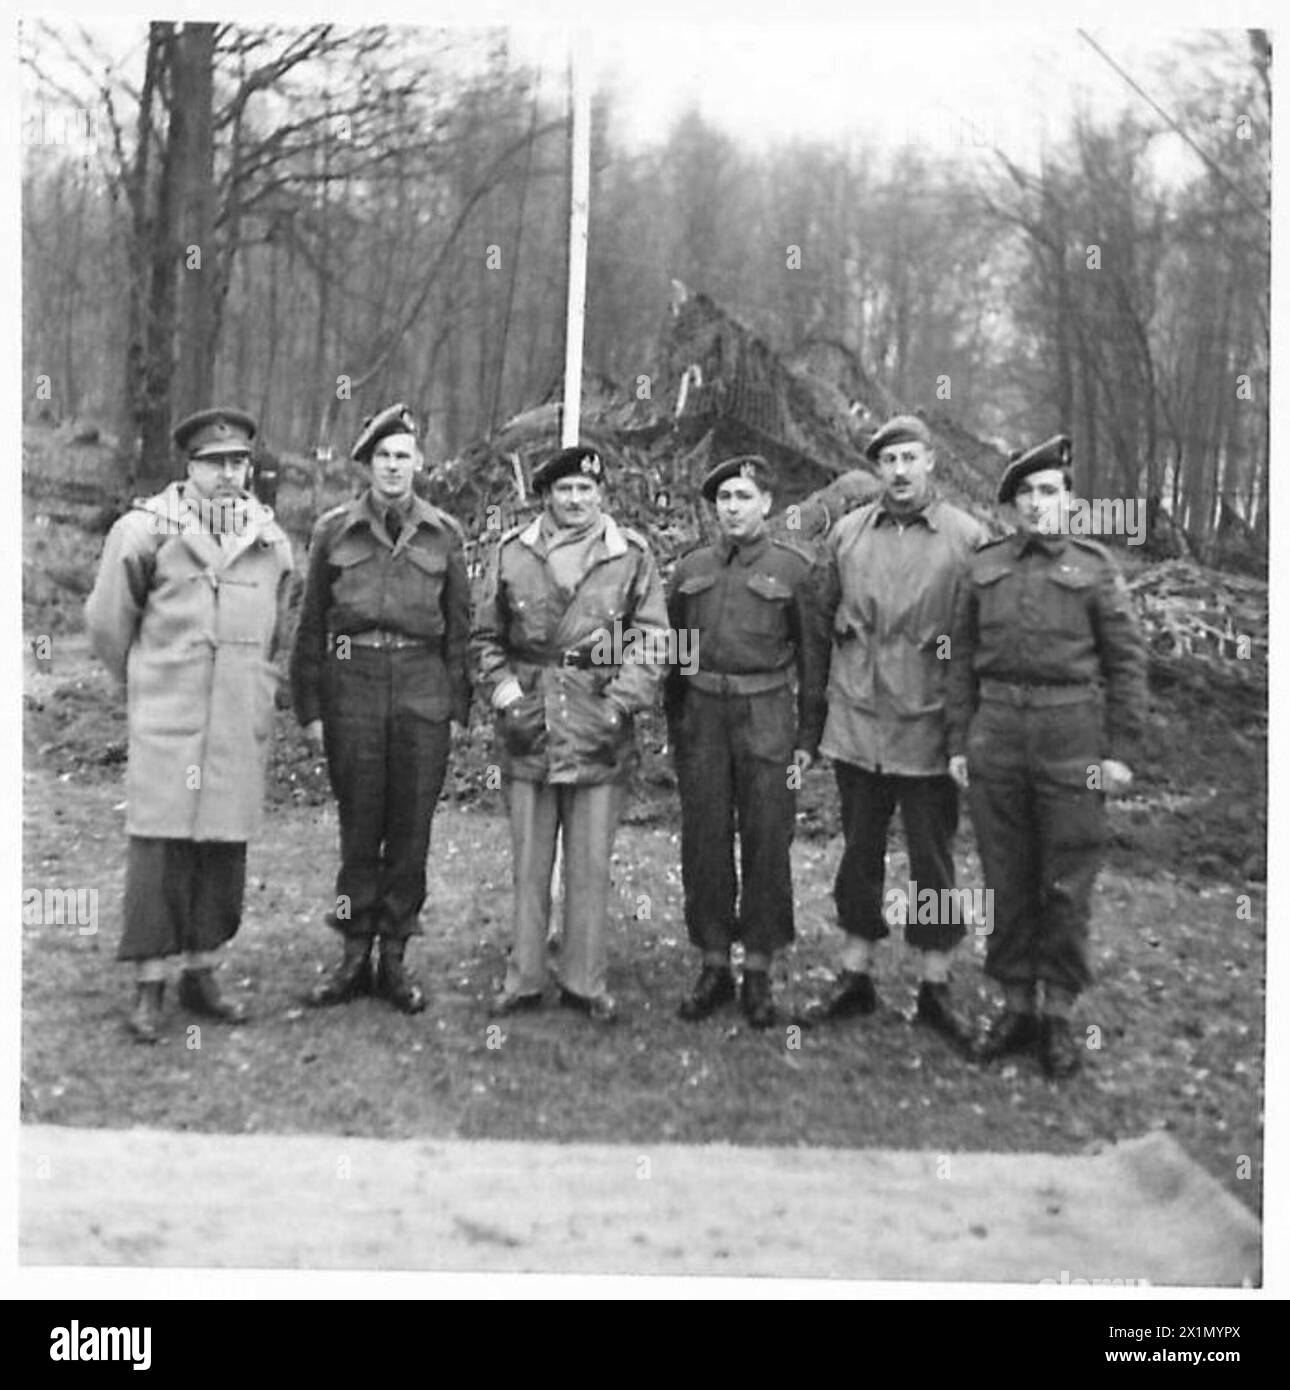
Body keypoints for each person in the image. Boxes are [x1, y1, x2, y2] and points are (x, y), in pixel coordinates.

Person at [85, 407, 294, 1043]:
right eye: (215, 463)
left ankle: (203, 971)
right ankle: (150, 981)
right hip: (169, 717)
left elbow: (276, 628)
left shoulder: (269, 540)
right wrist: (147, 680)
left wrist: (253, 682)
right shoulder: (144, 532)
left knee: (222, 848)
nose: (230, 475)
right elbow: (106, 623)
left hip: (235, 716)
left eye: (239, 463)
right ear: (189, 466)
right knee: (160, 846)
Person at [946, 435, 1147, 1079]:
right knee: (1006, 876)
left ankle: (1057, 1013)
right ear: (1011, 505)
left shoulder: (1093, 568)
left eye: (1050, 491)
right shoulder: (983, 567)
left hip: (1072, 739)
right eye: (1027, 493)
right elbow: (958, 662)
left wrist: (1121, 753)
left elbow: (1126, 664)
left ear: (1069, 500)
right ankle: (1014, 1006)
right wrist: (959, 743)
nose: (1038, 503)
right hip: (998, 733)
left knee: (1066, 878)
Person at [803, 415, 989, 1052]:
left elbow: (978, 644)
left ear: (931, 462)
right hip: (858, 725)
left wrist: (967, 734)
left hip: (930, 730)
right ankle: (855, 975)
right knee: (858, 855)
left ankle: (935, 985)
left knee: (933, 864)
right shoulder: (849, 536)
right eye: (889, 461)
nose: (901, 471)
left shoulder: (967, 539)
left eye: (911, 458)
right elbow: (819, 618)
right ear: (877, 470)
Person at [472, 443, 668, 1023]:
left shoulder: (630, 556)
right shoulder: (512, 554)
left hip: (597, 721)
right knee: (530, 862)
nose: (576, 500)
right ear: (546, 497)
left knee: (589, 863)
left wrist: (622, 703)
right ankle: (524, 976)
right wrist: (507, 696)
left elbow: (654, 637)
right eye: (564, 490)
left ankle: (585, 980)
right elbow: (484, 638)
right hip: (530, 722)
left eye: (586, 490)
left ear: (601, 494)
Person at [289, 403, 471, 1014]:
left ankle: (394, 956)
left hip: (422, 686)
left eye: (404, 457)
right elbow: (310, 624)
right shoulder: (333, 531)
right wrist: (310, 707)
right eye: (383, 457)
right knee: (358, 825)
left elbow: (460, 630)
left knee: (411, 830)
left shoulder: (445, 534)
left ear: (419, 464)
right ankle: (351, 953)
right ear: (366, 465)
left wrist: (456, 706)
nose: (394, 467)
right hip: (354, 685)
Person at [665, 455, 827, 1028]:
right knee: (704, 841)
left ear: (767, 505)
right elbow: (675, 656)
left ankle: (758, 968)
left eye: (743, 496)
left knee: (767, 841)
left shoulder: (795, 569)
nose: (732, 507)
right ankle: (713, 963)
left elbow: (813, 658)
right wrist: (676, 726)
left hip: (767, 719)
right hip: (703, 718)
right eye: (724, 498)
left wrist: (807, 738)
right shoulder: (690, 569)